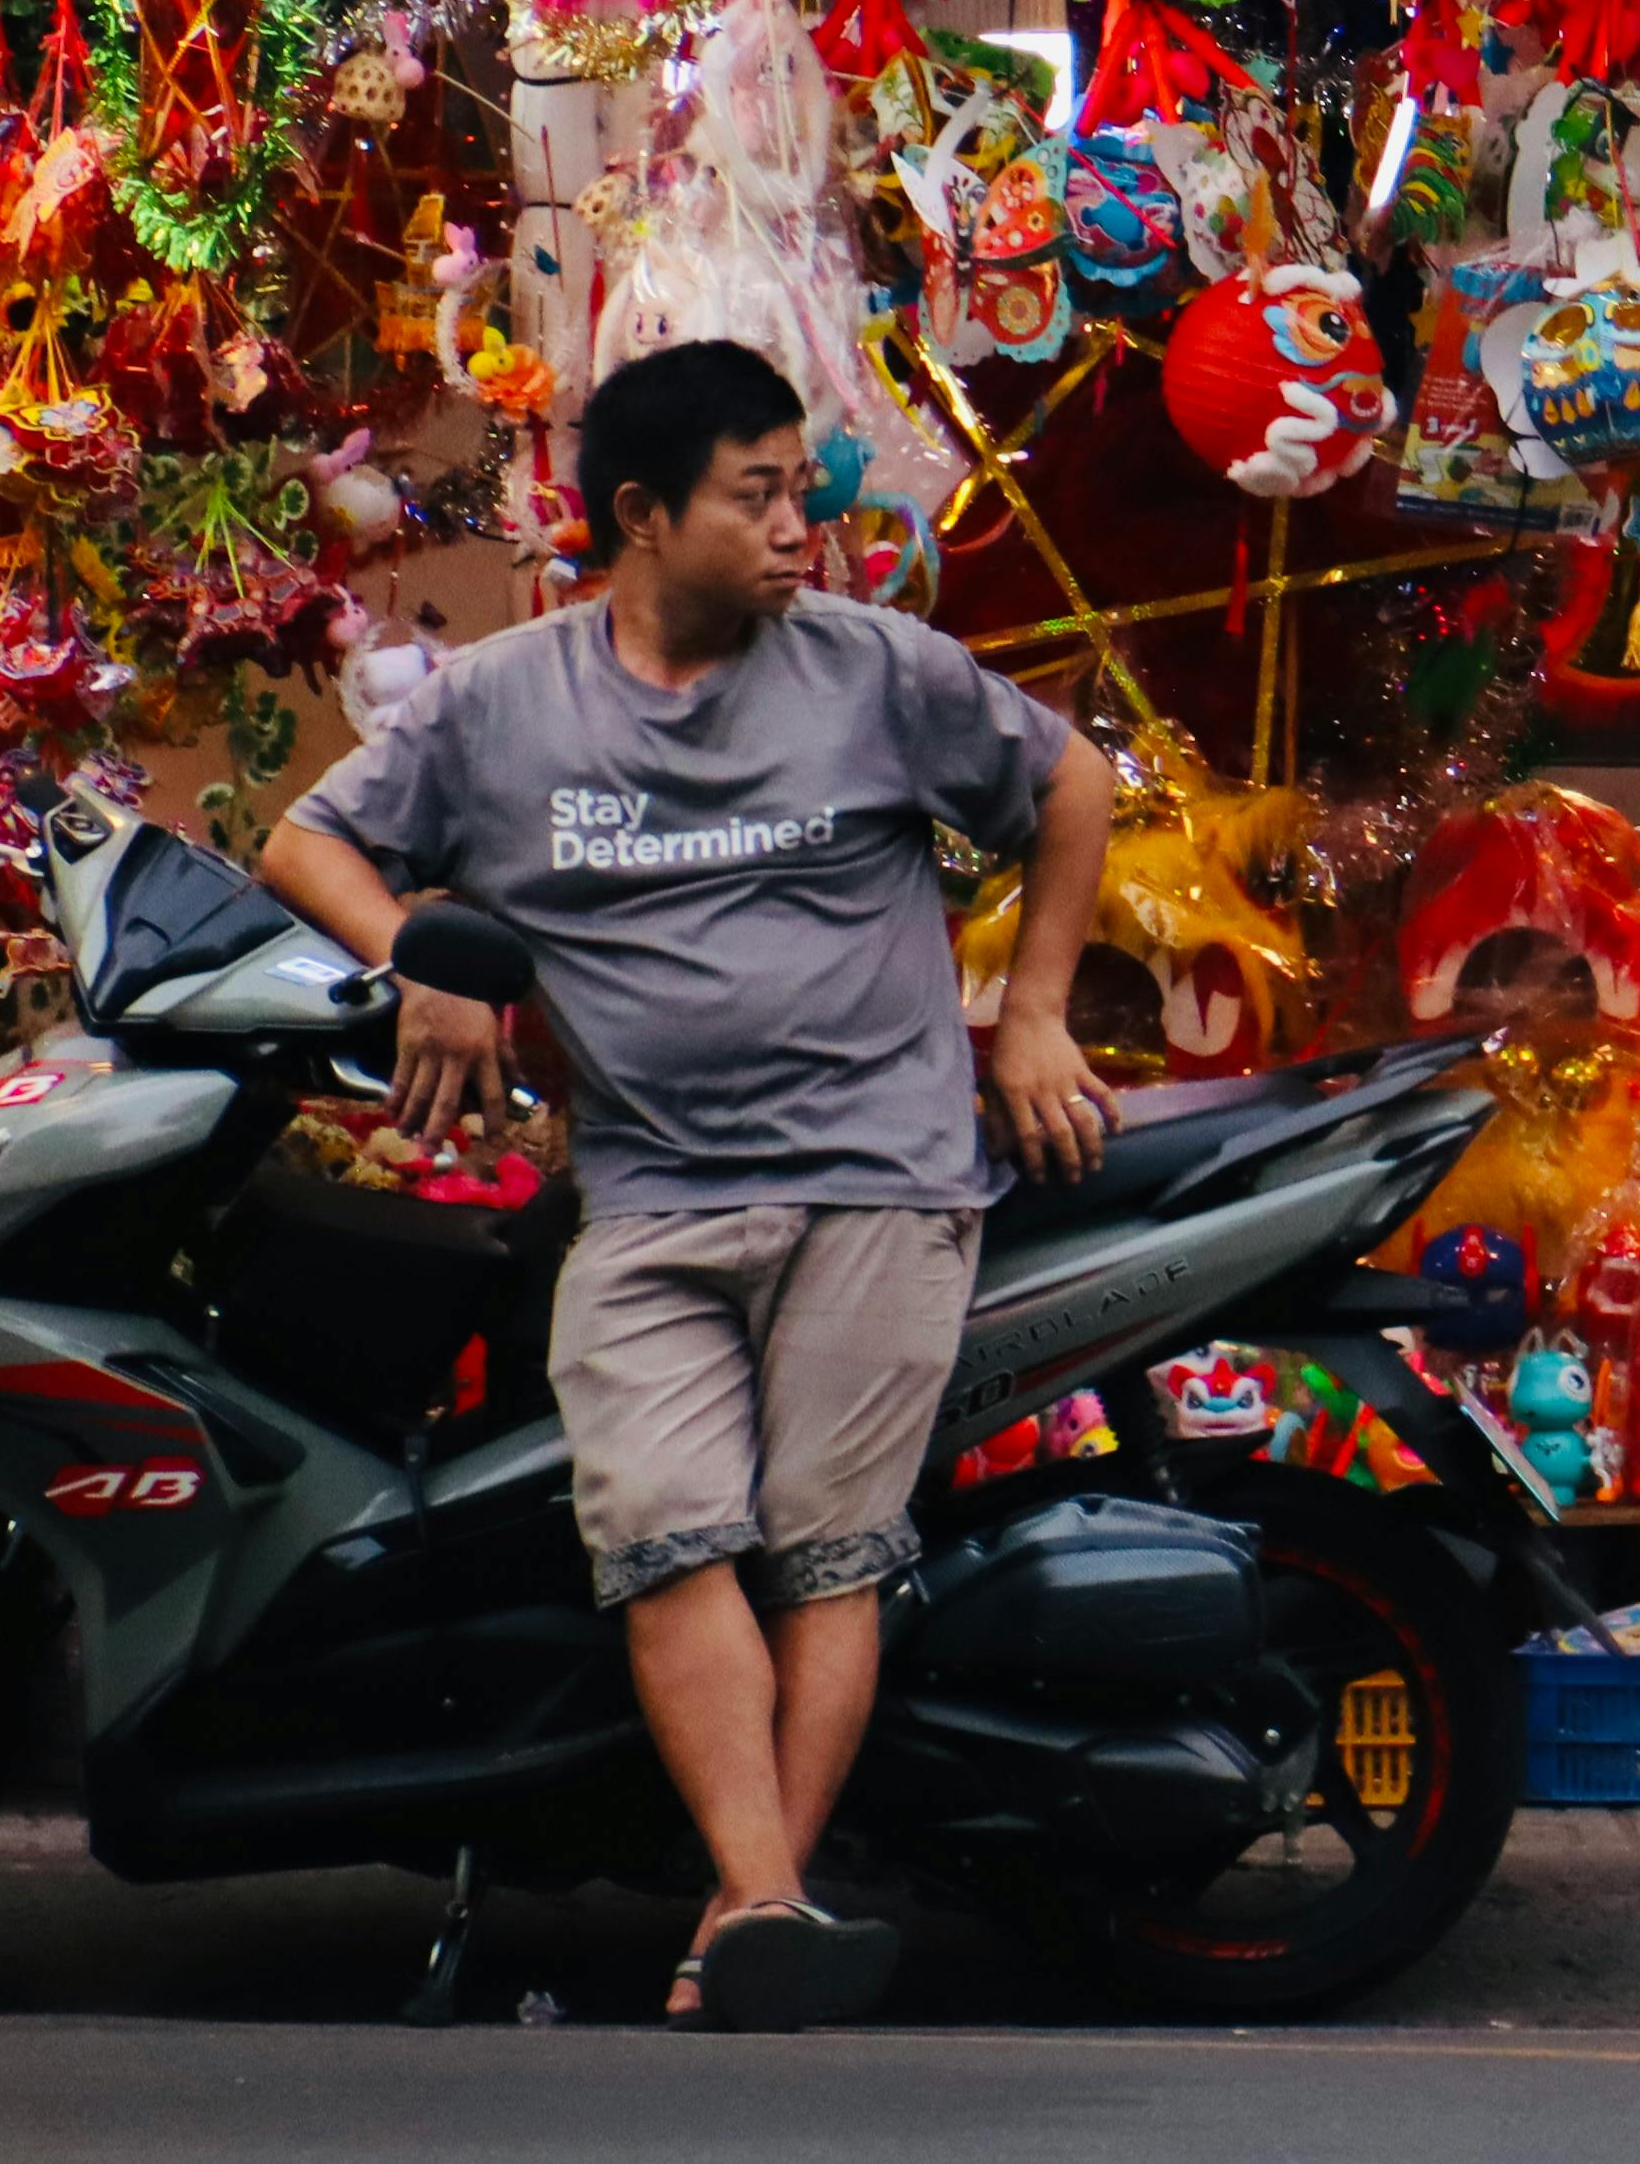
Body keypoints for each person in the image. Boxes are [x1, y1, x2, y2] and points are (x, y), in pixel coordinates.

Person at [258, 337, 1119, 2034]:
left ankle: (749, 1913)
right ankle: (763, 1905)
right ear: (643, 516)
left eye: (805, 489)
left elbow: (1069, 778)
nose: (802, 527)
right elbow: (304, 842)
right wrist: (425, 953)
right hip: (649, 1196)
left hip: (877, 1179)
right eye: (760, 495)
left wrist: (1033, 1015)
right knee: (659, 1532)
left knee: (826, 1551)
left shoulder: (876, 669)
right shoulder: (506, 701)